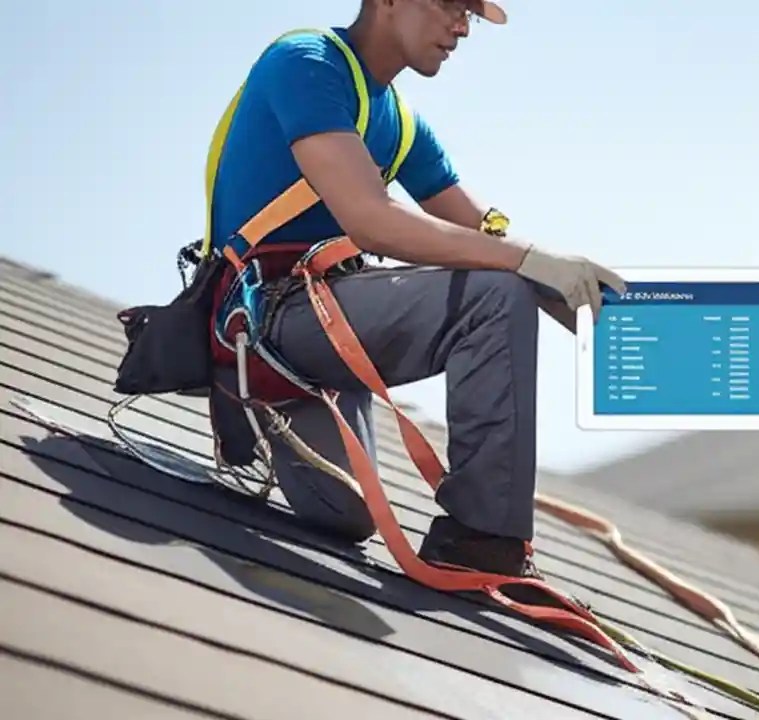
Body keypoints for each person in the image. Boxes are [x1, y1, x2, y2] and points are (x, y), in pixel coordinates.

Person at [205, 0, 625, 599]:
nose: (461, 27)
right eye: (451, 5)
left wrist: (592, 302)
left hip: (325, 322)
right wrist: (525, 265)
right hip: (269, 315)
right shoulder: (305, 63)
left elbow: (482, 232)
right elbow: (371, 221)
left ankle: (280, 416)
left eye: (470, 17)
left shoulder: (398, 122)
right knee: (493, 295)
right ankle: (481, 538)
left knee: (346, 517)